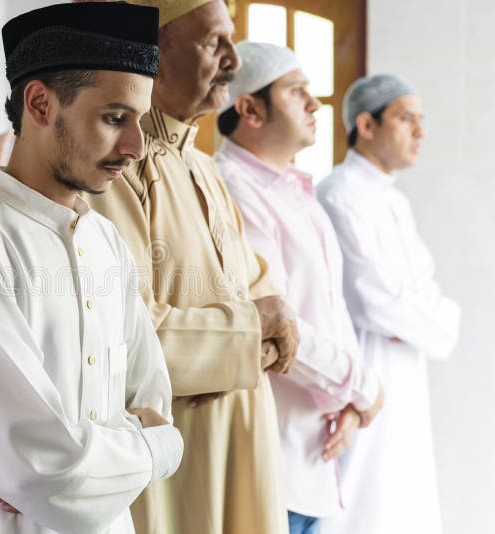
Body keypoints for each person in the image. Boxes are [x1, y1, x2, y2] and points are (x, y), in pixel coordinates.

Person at [0, 3, 183, 532]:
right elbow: (41, 472)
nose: (134, 146)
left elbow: (156, 403)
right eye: (113, 118)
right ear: (39, 103)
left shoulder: (106, 240)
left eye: (138, 121)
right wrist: (157, 449)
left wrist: (121, 450)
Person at [86, 2, 299, 534]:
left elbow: (265, 295)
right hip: (176, 460)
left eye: (232, 40)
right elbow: (125, 336)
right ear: (154, 54)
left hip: (242, 445)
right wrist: (253, 332)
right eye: (212, 42)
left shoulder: (203, 167)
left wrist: (258, 330)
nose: (233, 58)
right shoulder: (118, 169)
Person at [213, 42, 384, 534]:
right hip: (271, 457)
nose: (314, 104)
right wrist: (361, 387)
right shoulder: (232, 189)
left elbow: (333, 310)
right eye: (296, 91)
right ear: (249, 108)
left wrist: (354, 401)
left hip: (317, 458)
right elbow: (278, 323)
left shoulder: (297, 189)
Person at [318, 75, 461, 534]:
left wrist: (418, 317)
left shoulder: (394, 201)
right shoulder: (337, 195)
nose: (420, 132)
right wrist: (414, 314)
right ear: (366, 123)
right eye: (406, 118)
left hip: (406, 382)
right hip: (362, 380)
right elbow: (372, 302)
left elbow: (433, 301)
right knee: (361, 508)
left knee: (404, 504)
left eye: (422, 120)